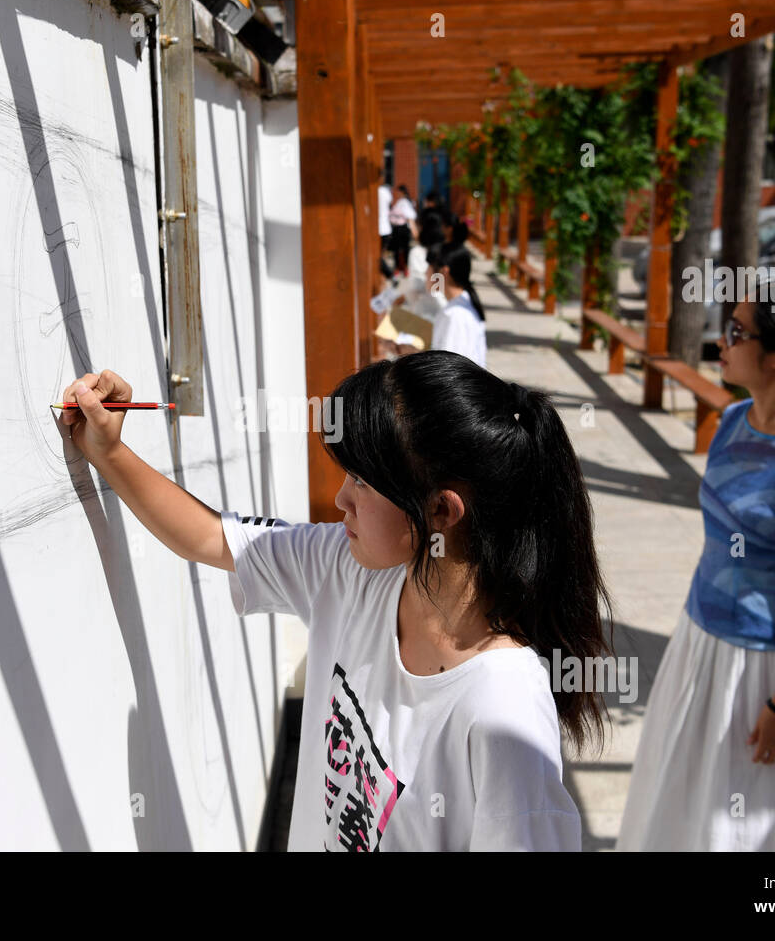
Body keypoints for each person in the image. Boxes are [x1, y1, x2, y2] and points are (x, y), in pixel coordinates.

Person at [58, 350, 615, 850]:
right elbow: (212, 539)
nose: (340, 497)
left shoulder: (503, 707)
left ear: (442, 512)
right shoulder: (354, 572)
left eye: (363, 483)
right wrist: (107, 452)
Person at [616, 280, 775, 851]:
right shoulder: (730, 421)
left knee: (746, 825)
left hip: (767, 670)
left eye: (735, 332)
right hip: (699, 644)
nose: (719, 341)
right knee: (681, 804)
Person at [430, 244, 487, 368]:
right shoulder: (460, 306)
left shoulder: (456, 315)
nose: (426, 274)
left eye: (430, 269)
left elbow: (449, 369)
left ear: (444, 272)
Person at [388, 184, 418, 275]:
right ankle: (400, 267)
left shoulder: (404, 202)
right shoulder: (400, 202)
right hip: (397, 228)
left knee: (403, 249)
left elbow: (410, 217)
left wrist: (414, 229)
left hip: (402, 228)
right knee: (398, 249)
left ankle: (404, 267)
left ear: (402, 192)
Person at [377, 180, 393, 260]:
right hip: (385, 226)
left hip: (378, 226)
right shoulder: (385, 191)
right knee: (382, 251)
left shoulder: (378, 190)